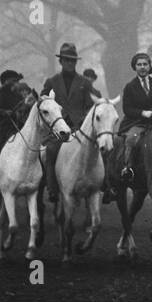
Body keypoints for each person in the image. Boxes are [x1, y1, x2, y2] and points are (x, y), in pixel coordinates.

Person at [41, 43, 93, 203]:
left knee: (98, 149)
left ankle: (104, 185)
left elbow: (89, 107)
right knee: (51, 150)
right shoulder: (52, 81)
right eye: (67, 60)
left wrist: (82, 122)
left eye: (72, 60)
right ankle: (52, 189)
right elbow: (44, 104)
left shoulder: (85, 82)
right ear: (61, 61)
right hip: (58, 130)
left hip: (79, 129)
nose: (70, 63)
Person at [116, 52, 152, 182]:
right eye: (139, 65)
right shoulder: (130, 87)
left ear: (149, 66)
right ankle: (127, 168)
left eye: (145, 64)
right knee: (131, 139)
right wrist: (143, 113)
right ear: (135, 67)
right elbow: (127, 109)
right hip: (137, 122)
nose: (142, 67)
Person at [0, 69, 25, 183]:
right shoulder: (2, 94)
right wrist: (5, 112)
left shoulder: (19, 95)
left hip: (19, 124)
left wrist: (21, 112)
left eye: (17, 81)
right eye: (15, 81)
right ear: (8, 82)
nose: (17, 84)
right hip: (5, 124)